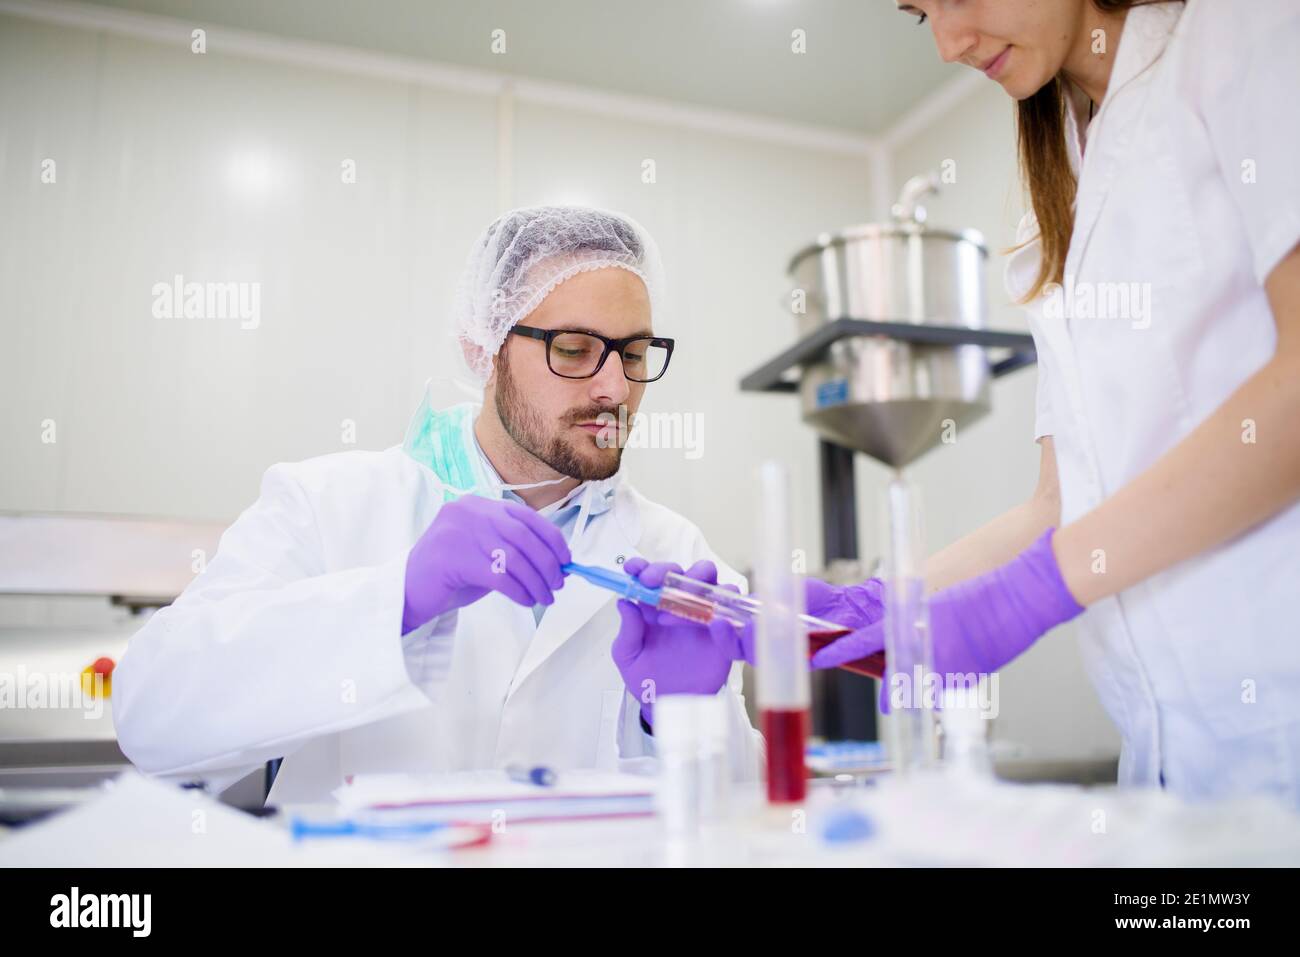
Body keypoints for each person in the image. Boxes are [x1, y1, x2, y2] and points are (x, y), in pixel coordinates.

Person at [811, 0, 1300, 804]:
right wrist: (875, 602)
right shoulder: (1063, 170)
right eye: (916, 13)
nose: (947, 43)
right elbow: (1063, 499)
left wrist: (1034, 593)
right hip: (1171, 770)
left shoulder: (1241, 28)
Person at [114, 206, 762, 803]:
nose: (615, 386)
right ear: (484, 347)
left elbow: (738, 816)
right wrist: (397, 596)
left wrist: (678, 713)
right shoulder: (328, 504)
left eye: (636, 352)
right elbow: (151, 718)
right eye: (574, 349)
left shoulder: (674, 552)